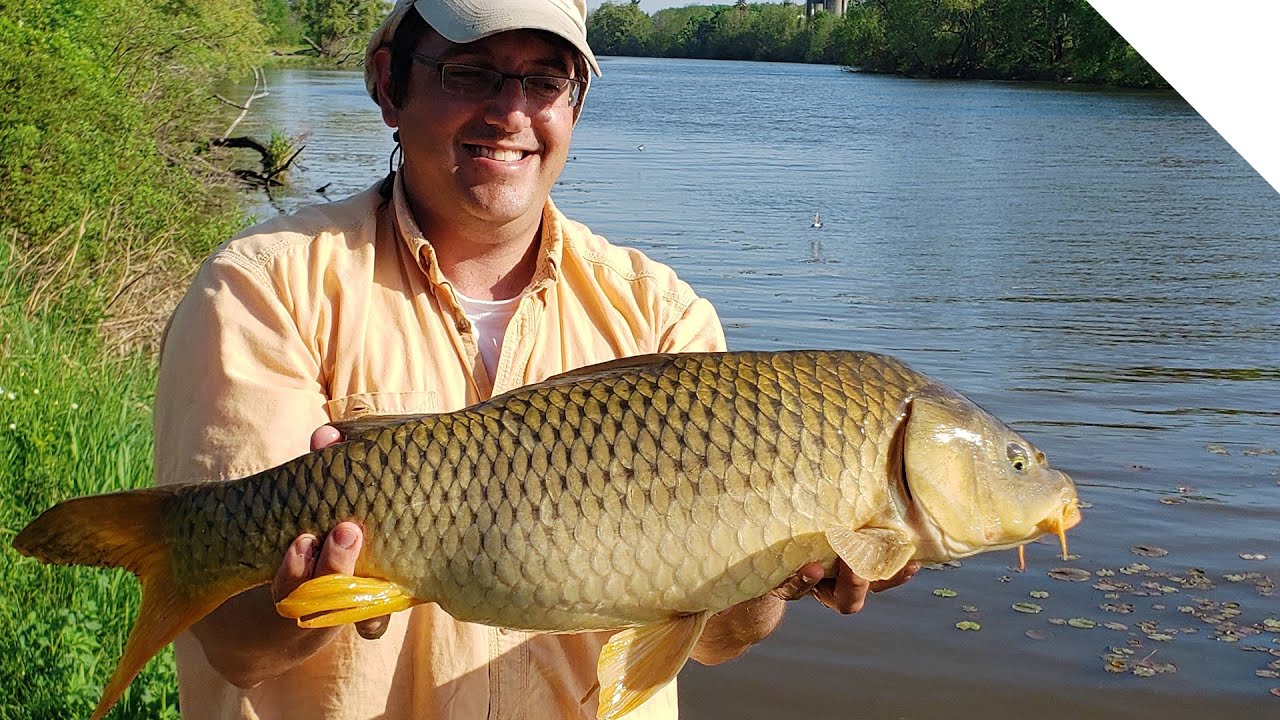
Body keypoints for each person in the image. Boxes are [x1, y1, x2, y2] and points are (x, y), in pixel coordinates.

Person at [153, 1, 918, 717]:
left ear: (574, 103)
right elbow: (232, 648)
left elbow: (717, 638)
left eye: (544, 80)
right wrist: (308, 597)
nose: (510, 111)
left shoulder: (662, 317)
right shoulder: (267, 286)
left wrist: (779, 573)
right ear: (390, 83)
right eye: (470, 71)